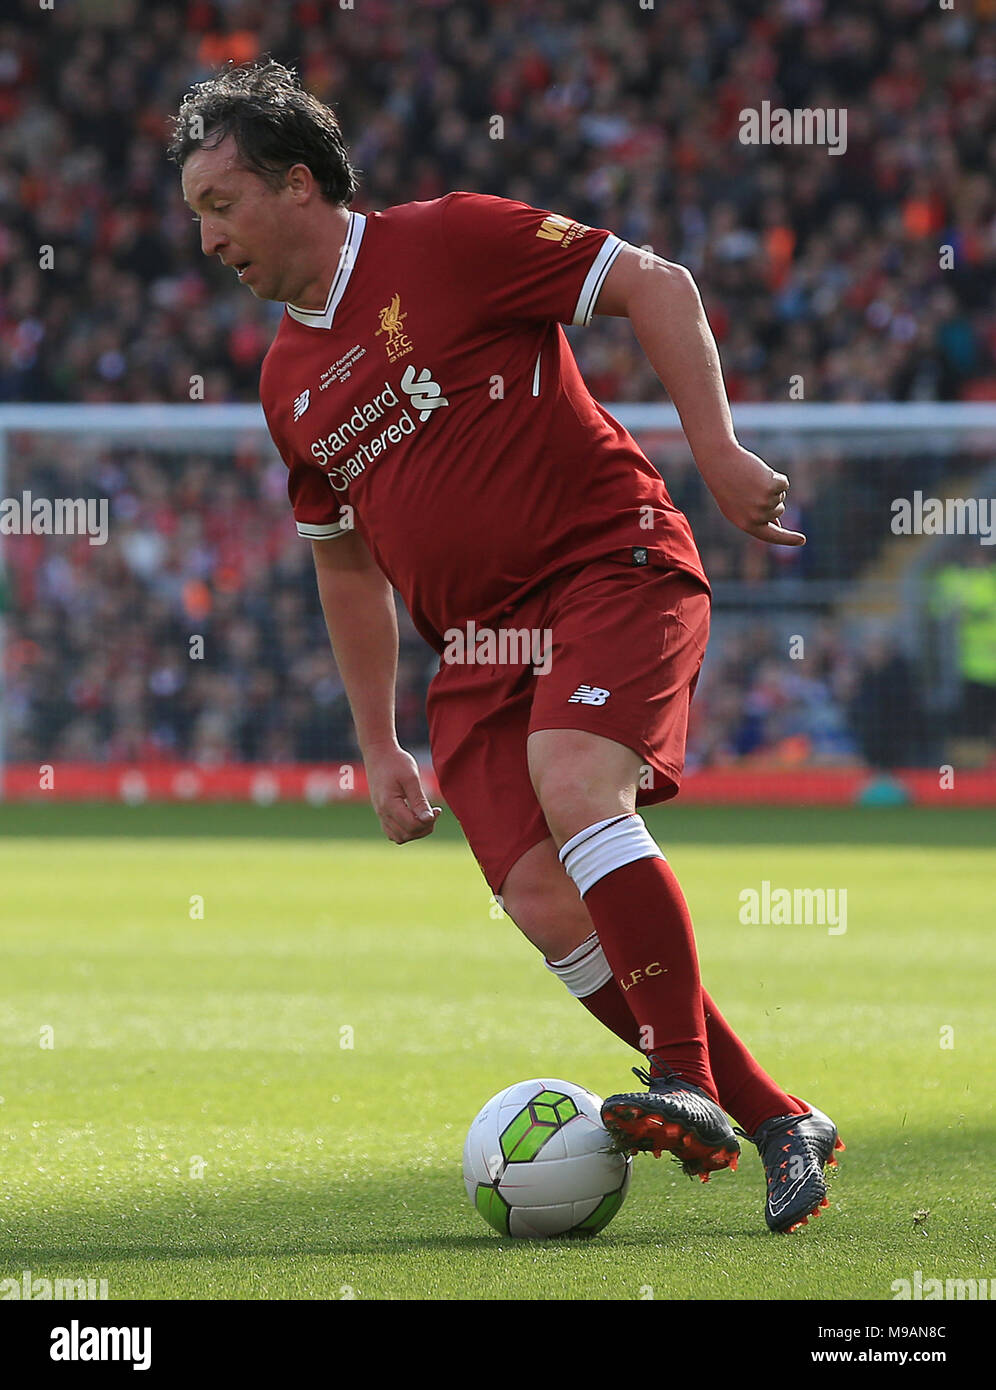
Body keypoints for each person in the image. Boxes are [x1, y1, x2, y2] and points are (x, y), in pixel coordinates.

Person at [169, 59, 843, 1233]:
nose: (209, 237)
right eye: (194, 218)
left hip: (606, 563)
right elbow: (342, 560)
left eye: (221, 206)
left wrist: (721, 451)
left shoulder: (452, 239)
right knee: (542, 900)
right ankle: (778, 1116)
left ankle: (679, 1080)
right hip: (476, 652)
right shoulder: (285, 380)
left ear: (296, 182)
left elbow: (657, 284)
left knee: (577, 779)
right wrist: (377, 742)